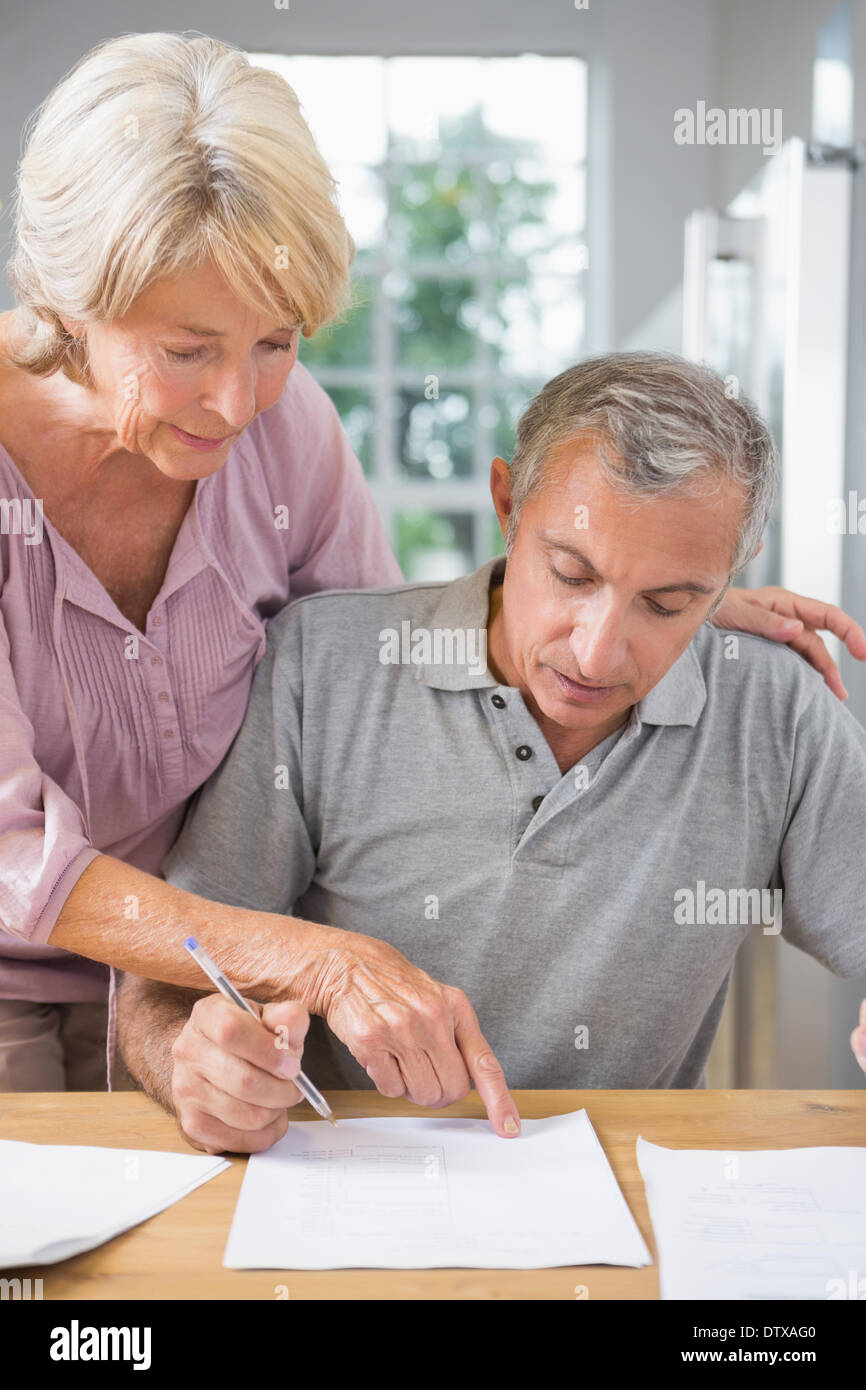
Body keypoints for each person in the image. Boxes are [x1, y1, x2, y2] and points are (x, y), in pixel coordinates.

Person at [0, 32, 861, 1095]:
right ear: (72, 297)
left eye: (276, 342)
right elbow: (10, 854)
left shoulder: (282, 431)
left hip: (192, 978)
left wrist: (657, 608)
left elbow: (379, 666)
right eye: (189, 351)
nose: (239, 401)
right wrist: (310, 957)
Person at [116, 352, 866, 1153]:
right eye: (571, 573)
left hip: (632, 1209)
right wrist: (189, 1062)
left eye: (667, 602)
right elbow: (169, 974)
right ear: (507, 503)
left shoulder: (776, 711)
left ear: (727, 580)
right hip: (347, 1189)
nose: (597, 654)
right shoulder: (320, 665)